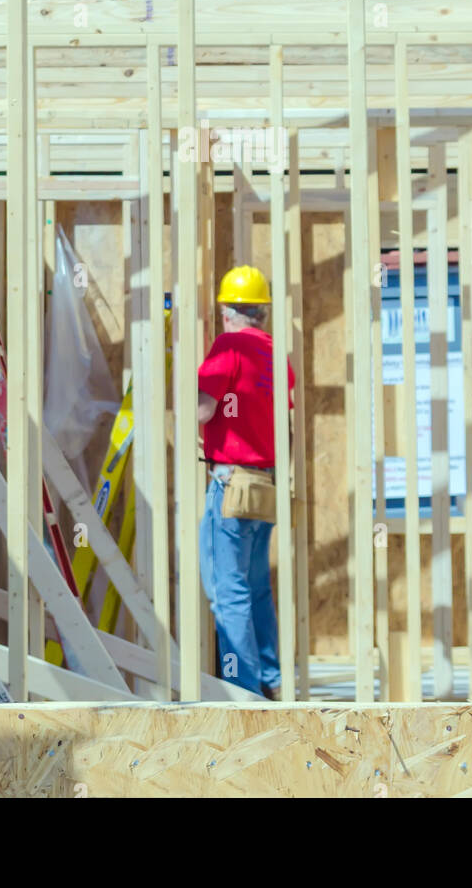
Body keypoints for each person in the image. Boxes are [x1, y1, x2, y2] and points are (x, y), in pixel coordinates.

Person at [197, 264, 294, 699]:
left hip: (230, 485)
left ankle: (242, 690)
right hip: (266, 484)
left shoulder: (229, 345)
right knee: (255, 588)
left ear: (226, 312)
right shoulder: (276, 354)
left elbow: (203, 408)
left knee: (227, 591)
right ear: (263, 312)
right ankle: (271, 681)